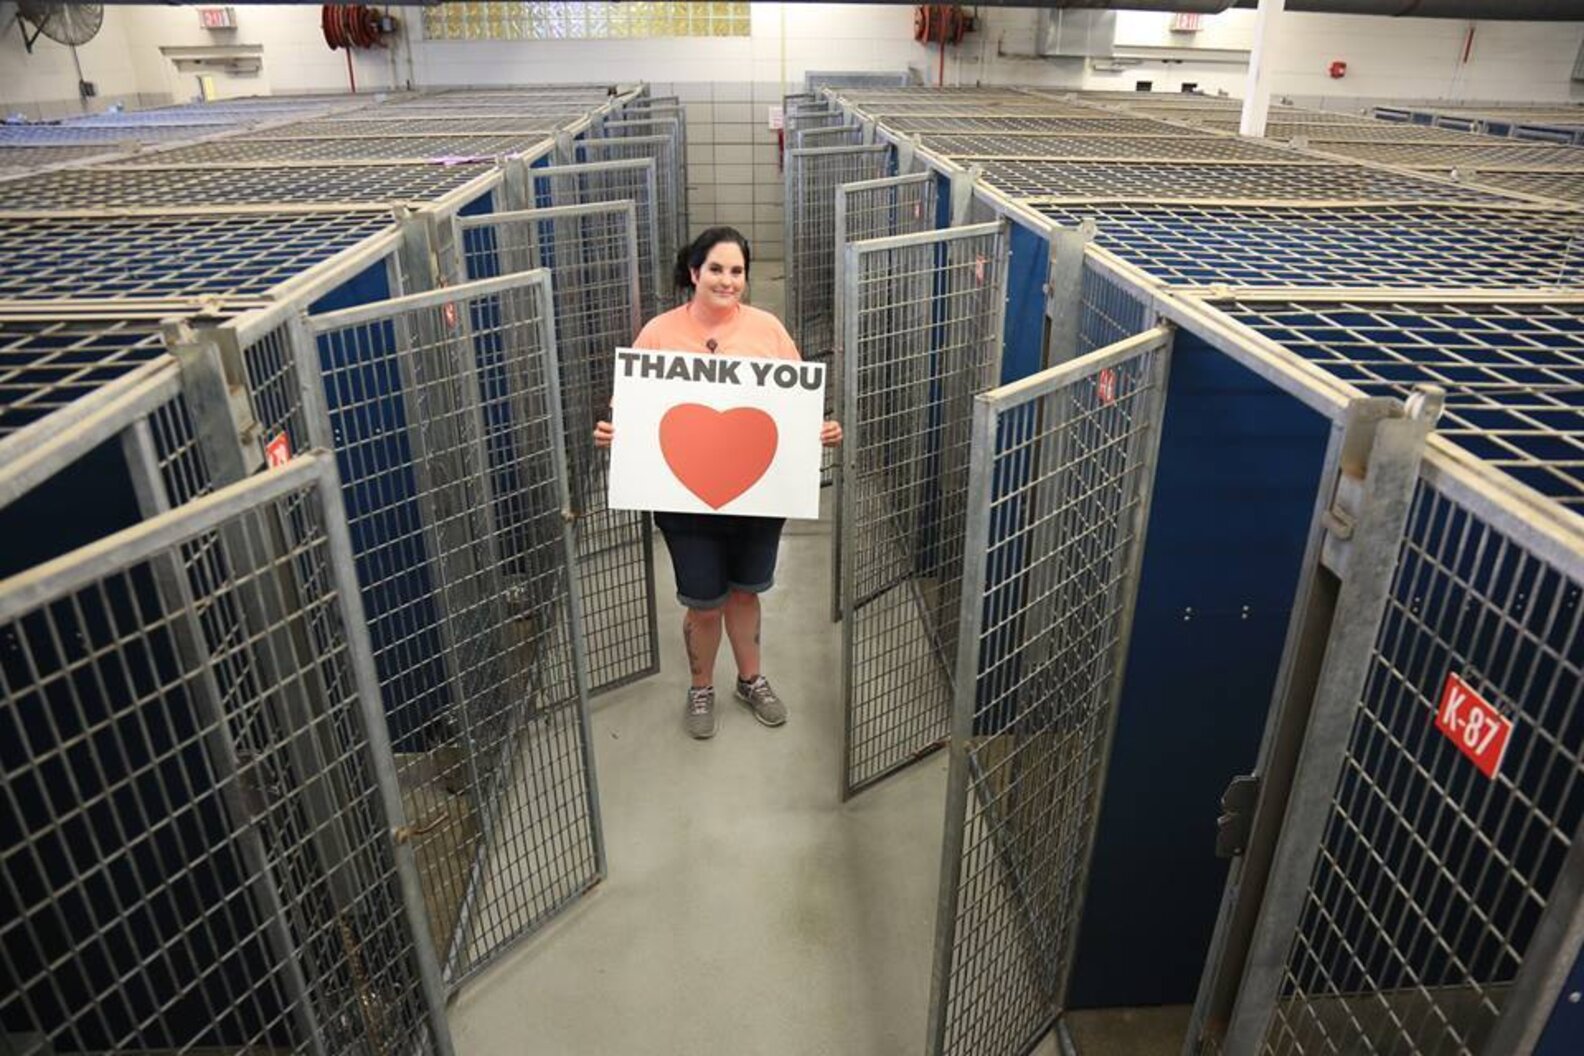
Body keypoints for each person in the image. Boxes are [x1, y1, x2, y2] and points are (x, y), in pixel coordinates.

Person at [593, 227, 842, 740]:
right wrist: (613, 433)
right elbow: (631, 413)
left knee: (746, 594)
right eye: (716, 269)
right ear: (694, 273)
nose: (727, 281)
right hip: (684, 499)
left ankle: (750, 680)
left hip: (758, 495)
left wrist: (822, 429)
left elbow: (796, 409)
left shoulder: (768, 329)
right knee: (703, 601)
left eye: (737, 272)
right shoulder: (659, 332)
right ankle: (701, 685)